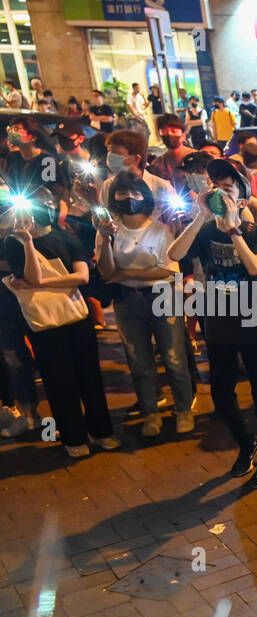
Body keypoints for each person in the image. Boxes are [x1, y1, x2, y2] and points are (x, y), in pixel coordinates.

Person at [167, 159, 257, 488]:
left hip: (254, 322)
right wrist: (201, 216)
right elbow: (175, 254)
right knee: (221, 395)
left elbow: (256, 267)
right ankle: (247, 445)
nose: (218, 193)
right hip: (217, 321)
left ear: (241, 198)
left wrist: (233, 230)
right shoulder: (203, 230)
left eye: (227, 189)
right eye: (214, 187)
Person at [2, 187, 117, 458]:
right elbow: (30, 273)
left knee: (90, 377)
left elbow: (83, 277)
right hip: (44, 324)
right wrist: (28, 242)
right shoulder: (13, 242)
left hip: (76, 317)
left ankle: (101, 432)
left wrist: (43, 282)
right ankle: (73, 437)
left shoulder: (66, 236)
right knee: (57, 380)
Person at [96, 173, 192, 438]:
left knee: (173, 358)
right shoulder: (109, 229)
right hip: (127, 302)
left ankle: (184, 410)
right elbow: (106, 271)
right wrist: (105, 240)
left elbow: (169, 271)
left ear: (145, 196)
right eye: (122, 193)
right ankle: (151, 414)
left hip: (163, 297)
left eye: (135, 193)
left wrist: (126, 274)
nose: (129, 198)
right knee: (139, 361)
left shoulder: (162, 228)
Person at [149, 114, 195, 193]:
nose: (169, 135)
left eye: (174, 131)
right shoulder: (157, 165)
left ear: (183, 135)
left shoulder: (197, 158)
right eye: (164, 131)